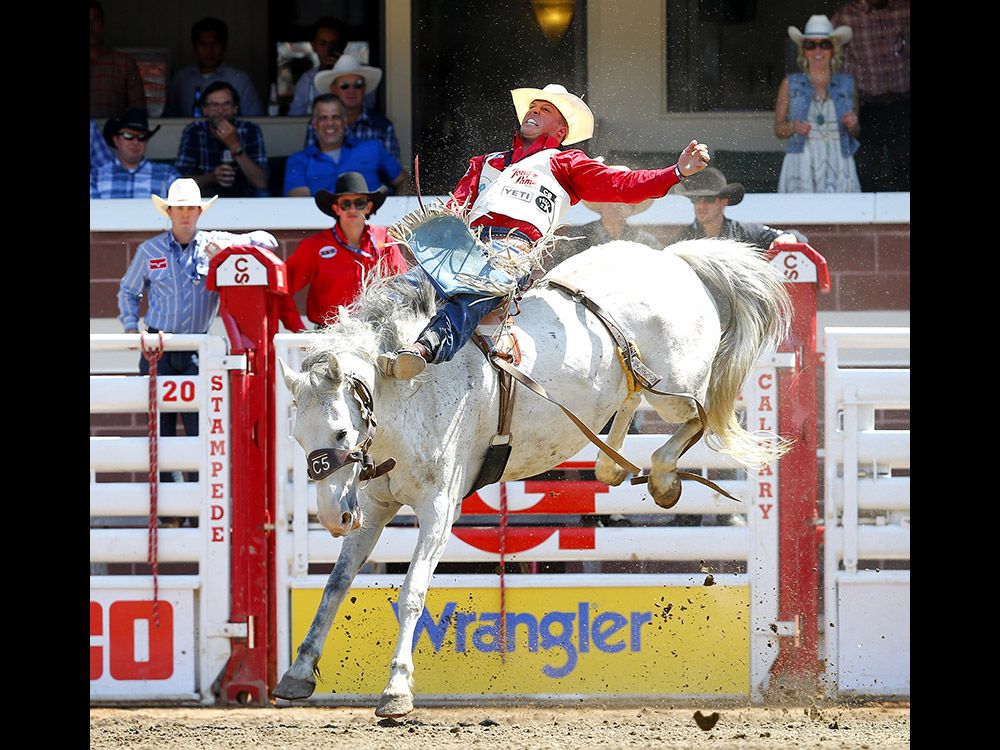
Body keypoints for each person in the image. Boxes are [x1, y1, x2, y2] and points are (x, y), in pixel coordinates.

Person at [376, 83, 710, 380]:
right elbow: (456, 206)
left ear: (561, 129)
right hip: (461, 247)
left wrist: (676, 171)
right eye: (533, 108)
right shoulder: (486, 162)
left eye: (544, 110)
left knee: (482, 285)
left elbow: (622, 185)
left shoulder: (567, 163)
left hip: (511, 250)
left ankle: (427, 347)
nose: (534, 112)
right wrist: (429, 235)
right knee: (398, 289)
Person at [117, 178, 277, 481]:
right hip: (158, 348)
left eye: (191, 207)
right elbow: (128, 290)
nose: (186, 213)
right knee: (160, 431)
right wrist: (130, 328)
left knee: (199, 426)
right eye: (179, 208)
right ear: (169, 212)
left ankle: (195, 508)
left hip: (196, 348)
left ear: (200, 212)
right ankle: (170, 511)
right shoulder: (149, 250)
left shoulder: (213, 244)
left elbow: (267, 241)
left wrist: (231, 249)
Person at [277, 172, 408, 332]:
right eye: (346, 203)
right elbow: (281, 287)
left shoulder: (385, 239)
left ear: (368, 207)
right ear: (336, 208)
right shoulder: (314, 246)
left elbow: (404, 287)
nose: (352, 209)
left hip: (378, 334)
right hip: (329, 336)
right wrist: (298, 330)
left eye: (359, 203)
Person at [774, 15, 861, 193]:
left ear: (834, 49)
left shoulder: (847, 83)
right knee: (800, 216)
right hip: (801, 159)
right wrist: (793, 127)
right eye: (811, 45)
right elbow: (778, 129)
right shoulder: (790, 83)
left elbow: (856, 131)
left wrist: (852, 124)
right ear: (803, 50)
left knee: (841, 215)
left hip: (839, 159)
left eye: (825, 44)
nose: (818, 51)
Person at [831, 0, 910, 192]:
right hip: (867, 105)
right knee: (865, 171)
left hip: (904, 102)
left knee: (907, 170)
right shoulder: (845, 16)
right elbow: (831, 57)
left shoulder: (905, 9)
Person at [283, 94, 408, 197]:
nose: (330, 123)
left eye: (335, 117)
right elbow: (299, 202)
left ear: (345, 121)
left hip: (372, 220)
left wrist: (397, 209)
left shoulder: (372, 148)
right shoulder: (298, 160)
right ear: (314, 124)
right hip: (322, 223)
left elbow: (404, 181)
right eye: (323, 118)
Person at [669, 168, 808, 250]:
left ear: (724, 202)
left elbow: (797, 237)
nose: (701, 205)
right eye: (696, 199)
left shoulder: (745, 232)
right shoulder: (683, 240)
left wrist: (787, 238)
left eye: (709, 199)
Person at [550, 165, 661, 268]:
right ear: (600, 204)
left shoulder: (645, 242)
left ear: (631, 209)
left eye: (621, 202)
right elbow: (558, 271)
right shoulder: (577, 238)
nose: (615, 206)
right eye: (610, 199)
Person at [174, 81, 269, 198]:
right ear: (205, 110)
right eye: (214, 105)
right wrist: (211, 178)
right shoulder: (194, 131)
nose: (220, 110)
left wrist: (234, 145)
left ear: (235, 108)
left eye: (226, 104)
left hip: (244, 200)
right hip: (205, 201)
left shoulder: (250, 130)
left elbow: (261, 183)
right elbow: (179, 182)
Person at [164, 17, 264, 118]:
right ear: (194, 46)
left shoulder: (240, 79)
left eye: (215, 44)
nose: (209, 50)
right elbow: (168, 120)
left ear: (224, 46)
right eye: (203, 44)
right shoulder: (180, 79)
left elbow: (255, 121)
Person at [308, 54, 402, 162]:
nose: (351, 91)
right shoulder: (317, 124)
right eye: (344, 86)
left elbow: (394, 173)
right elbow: (310, 166)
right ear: (333, 89)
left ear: (364, 89)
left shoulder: (383, 126)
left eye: (358, 85)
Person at [91, 108, 180, 199]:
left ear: (147, 141)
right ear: (116, 140)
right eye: (128, 136)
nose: (135, 142)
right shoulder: (95, 176)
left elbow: (186, 207)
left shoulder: (168, 175)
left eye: (141, 137)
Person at [90, 1, 146, 118]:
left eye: (95, 20)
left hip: (111, 135)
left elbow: (138, 112)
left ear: (103, 25)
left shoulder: (124, 64)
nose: (90, 26)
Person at [287, 16, 350, 116]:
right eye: (323, 43)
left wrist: (340, 72)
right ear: (314, 46)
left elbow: (362, 111)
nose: (328, 49)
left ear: (343, 45)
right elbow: (294, 118)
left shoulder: (357, 77)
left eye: (333, 44)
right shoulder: (306, 80)